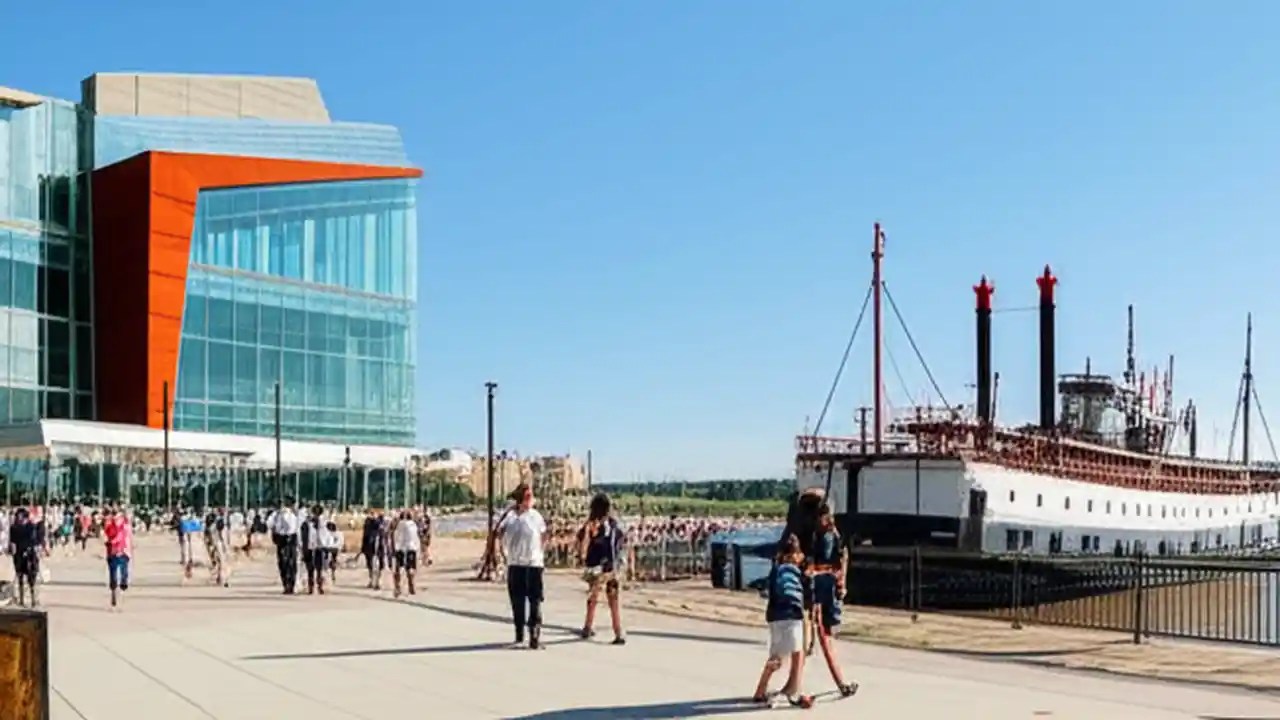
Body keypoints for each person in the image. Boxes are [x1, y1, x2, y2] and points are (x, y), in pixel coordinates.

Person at [755, 533, 813, 709]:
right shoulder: (793, 571)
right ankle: (790, 692)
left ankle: (761, 689)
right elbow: (797, 594)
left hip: (774, 617)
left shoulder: (775, 570)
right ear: (793, 555)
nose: (801, 556)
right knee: (796, 651)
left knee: (777, 655)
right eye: (799, 553)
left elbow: (769, 590)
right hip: (791, 616)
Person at [808, 503, 858, 698]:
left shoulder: (827, 536)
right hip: (825, 586)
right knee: (824, 635)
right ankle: (840, 682)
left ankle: (840, 681)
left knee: (823, 634)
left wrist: (839, 582)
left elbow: (840, 559)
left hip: (824, 587)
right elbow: (841, 559)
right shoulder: (829, 536)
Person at [496, 483, 547, 649]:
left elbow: (544, 535)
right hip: (515, 564)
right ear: (520, 499)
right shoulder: (510, 517)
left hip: (533, 564)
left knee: (535, 601)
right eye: (527, 496)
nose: (530, 499)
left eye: (531, 496)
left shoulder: (536, 516)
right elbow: (498, 533)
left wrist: (540, 553)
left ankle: (534, 634)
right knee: (517, 601)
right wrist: (501, 553)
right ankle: (519, 632)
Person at [577, 493, 626, 644]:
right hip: (611, 565)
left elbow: (582, 541)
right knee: (613, 600)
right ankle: (618, 632)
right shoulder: (614, 525)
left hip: (596, 565)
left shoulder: (592, 524)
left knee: (593, 597)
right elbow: (621, 541)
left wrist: (582, 558)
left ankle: (587, 626)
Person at [9, 508, 45, 608]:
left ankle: (33, 599)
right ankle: (21, 599)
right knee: (20, 577)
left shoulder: (31, 527)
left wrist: (37, 550)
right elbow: (12, 541)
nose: (18, 518)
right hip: (19, 554)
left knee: (31, 578)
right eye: (17, 516)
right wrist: (12, 550)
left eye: (20, 516)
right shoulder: (14, 528)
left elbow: (35, 540)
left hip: (30, 554)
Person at [103, 506, 134, 610]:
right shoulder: (109, 524)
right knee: (114, 576)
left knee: (123, 576)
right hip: (112, 552)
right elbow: (106, 534)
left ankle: (119, 594)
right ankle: (114, 597)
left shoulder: (125, 524)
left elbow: (126, 535)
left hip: (123, 551)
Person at [271, 501, 300, 594]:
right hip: (285, 538)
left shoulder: (286, 514)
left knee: (287, 563)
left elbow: (290, 527)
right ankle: (288, 585)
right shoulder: (277, 514)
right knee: (286, 563)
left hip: (288, 538)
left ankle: (289, 585)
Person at [302, 505, 331, 595]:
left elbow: (326, 535)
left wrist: (326, 546)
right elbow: (304, 536)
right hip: (310, 547)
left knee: (319, 569)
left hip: (320, 547)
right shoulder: (307, 523)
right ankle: (311, 586)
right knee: (310, 569)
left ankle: (319, 586)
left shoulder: (324, 523)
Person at [392, 509, 420, 598]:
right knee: (410, 568)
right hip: (411, 547)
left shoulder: (400, 525)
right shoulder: (414, 525)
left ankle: (397, 587)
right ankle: (411, 584)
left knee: (398, 569)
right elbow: (416, 537)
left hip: (400, 548)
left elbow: (396, 536)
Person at [360, 509, 387, 589]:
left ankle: (375, 581)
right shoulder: (371, 523)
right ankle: (374, 581)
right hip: (372, 546)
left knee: (374, 565)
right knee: (373, 564)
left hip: (375, 546)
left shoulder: (375, 523)